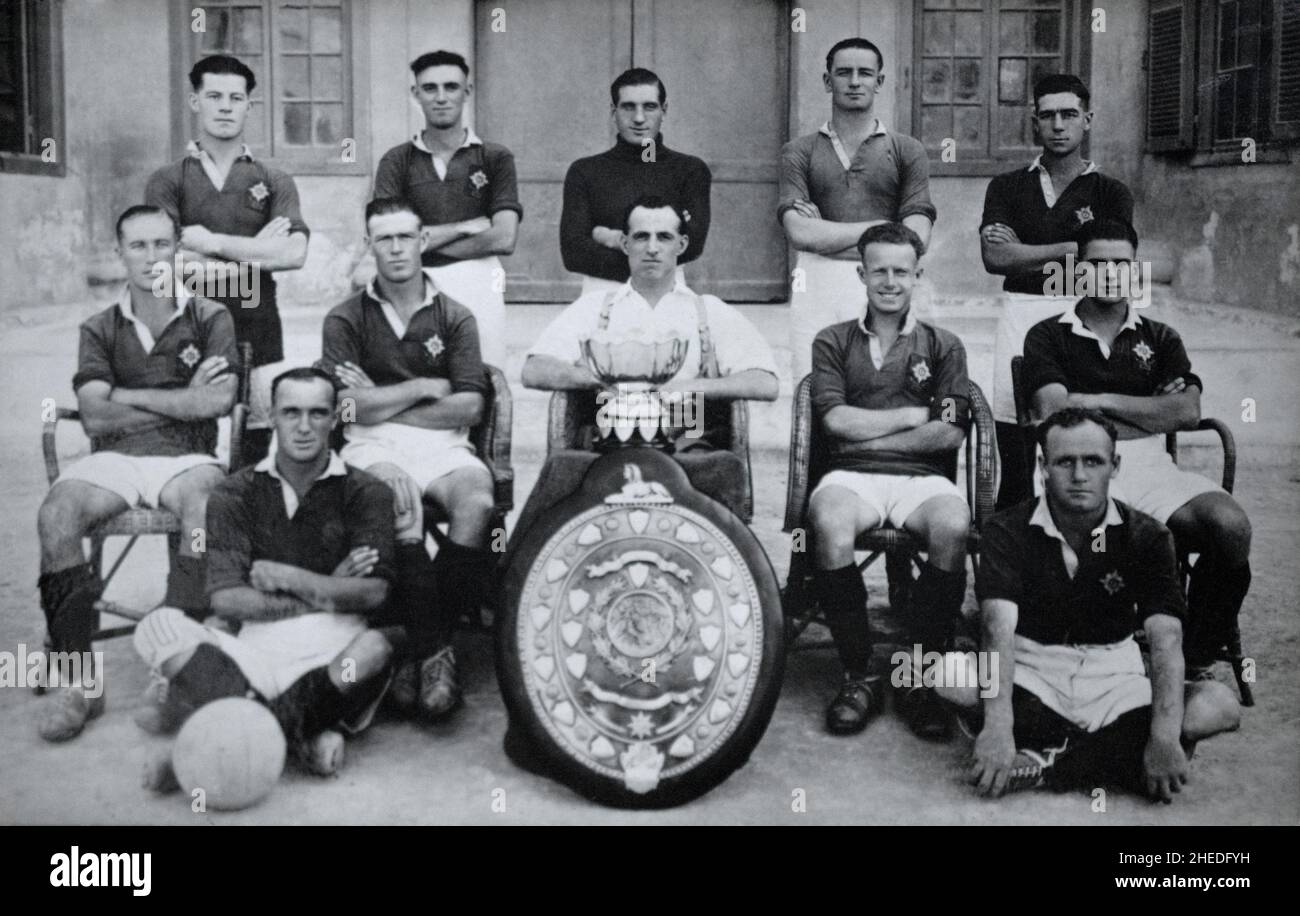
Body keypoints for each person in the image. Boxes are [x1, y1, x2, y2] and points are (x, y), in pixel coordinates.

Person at [952, 408, 1239, 800]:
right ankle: (1114, 756)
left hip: (1112, 676)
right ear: (1043, 466)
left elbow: (1166, 638)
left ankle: (1045, 763)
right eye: (1065, 462)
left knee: (1219, 705)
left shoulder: (1148, 535)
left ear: (1115, 465)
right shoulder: (1007, 529)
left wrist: (1164, 736)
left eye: (1093, 461)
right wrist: (998, 728)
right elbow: (996, 629)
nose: (1080, 475)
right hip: (1033, 669)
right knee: (945, 674)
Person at [132, 367, 398, 782]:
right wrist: (329, 584)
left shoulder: (366, 491)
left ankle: (203, 746)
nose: (304, 426)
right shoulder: (236, 492)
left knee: (376, 649)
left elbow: (373, 593)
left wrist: (289, 576)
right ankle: (299, 732)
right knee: (157, 627)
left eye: (317, 413)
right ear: (271, 416)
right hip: (252, 657)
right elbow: (226, 599)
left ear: (336, 417)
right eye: (291, 413)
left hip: (331, 659)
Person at [35, 205, 238, 742]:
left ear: (177, 249)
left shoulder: (211, 317)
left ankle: (173, 667)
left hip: (187, 459)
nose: (152, 258)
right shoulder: (98, 327)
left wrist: (130, 395)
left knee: (204, 507)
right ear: (119, 252)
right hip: (115, 458)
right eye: (138, 246)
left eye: (161, 245)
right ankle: (79, 679)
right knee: (57, 514)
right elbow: (96, 415)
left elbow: (216, 403)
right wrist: (181, 396)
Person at [1021, 219, 1253, 678]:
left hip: (1151, 463)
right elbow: (1054, 411)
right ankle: (1096, 649)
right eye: (1097, 264)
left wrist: (1095, 400)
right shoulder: (1047, 335)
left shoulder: (1160, 337)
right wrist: (1149, 407)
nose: (1109, 274)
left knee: (1230, 527)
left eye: (1121, 265)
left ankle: (1194, 656)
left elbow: (1186, 413)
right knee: (1104, 538)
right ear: (1076, 270)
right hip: (1079, 467)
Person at [320, 197, 497, 721]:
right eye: (383, 239)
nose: (395, 249)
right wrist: (421, 385)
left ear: (422, 242)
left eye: (404, 237)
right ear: (370, 246)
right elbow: (344, 406)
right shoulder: (345, 316)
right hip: (370, 447)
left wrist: (384, 401)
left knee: (478, 504)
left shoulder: (456, 315)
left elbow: (469, 403)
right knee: (398, 499)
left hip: (444, 447)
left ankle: (418, 642)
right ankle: (433, 654)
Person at [519, 194, 778, 534]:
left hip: (689, 436)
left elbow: (765, 382)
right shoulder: (596, 308)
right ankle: (522, 580)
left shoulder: (707, 310)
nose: (652, 248)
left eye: (664, 237)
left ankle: (727, 581)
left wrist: (691, 387)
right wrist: (594, 379)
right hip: (607, 440)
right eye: (641, 237)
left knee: (723, 468)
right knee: (560, 471)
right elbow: (533, 370)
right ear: (624, 244)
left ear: (682, 244)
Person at [807, 223, 971, 740]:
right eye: (879, 270)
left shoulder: (945, 346)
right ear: (861, 273)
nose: (890, 281)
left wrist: (868, 438)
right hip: (848, 477)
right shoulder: (831, 340)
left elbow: (946, 434)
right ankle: (861, 673)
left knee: (953, 525)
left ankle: (918, 675)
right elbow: (834, 421)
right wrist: (909, 416)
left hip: (922, 479)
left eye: (902, 270)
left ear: (917, 275)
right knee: (831, 524)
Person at [145, 54, 310, 468]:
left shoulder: (274, 181)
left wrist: (211, 242)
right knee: (190, 448)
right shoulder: (168, 180)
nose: (224, 106)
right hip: (187, 326)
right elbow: (164, 264)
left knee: (252, 447)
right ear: (194, 101)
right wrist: (255, 255)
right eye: (214, 95)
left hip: (257, 325)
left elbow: (293, 253)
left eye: (236, 98)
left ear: (248, 106)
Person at [979, 73, 1134, 510]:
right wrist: (1072, 246)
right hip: (1020, 310)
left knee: (1075, 426)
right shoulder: (1007, 186)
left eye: (1069, 114)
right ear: (1034, 123)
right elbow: (996, 260)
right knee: (1014, 435)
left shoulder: (1111, 192)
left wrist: (1026, 250)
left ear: (1088, 119)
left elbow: (1108, 264)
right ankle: (1018, 548)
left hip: (1084, 313)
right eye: (1048, 116)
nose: (1059, 125)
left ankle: (1087, 535)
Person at [779, 37, 937, 384]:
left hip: (885, 279)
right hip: (816, 280)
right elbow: (799, 233)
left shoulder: (906, 150)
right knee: (814, 388)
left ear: (879, 81)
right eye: (843, 73)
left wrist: (826, 233)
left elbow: (916, 239)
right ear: (827, 81)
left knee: (886, 385)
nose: (854, 82)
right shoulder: (799, 151)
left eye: (864, 73)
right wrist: (884, 226)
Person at [367, 50, 521, 368]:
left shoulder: (495, 158)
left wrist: (418, 244)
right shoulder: (396, 160)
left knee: (483, 375)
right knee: (418, 370)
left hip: (481, 278)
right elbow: (385, 235)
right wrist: (463, 227)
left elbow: (504, 239)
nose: (441, 98)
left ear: (467, 92)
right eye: (429, 88)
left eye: (451, 87)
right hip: (413, 281)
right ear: (416, 94)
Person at [560, 68, 712, 296]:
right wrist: (656, 254)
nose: (639, 118)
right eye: (628, 107)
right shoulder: (586, 171)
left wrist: (611, 239)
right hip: (602, 293)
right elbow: (574, 254)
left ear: (664, 109)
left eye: (649, 106)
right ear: (613, 111)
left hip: (667, 293)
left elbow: (692, 245)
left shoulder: (689, 170)